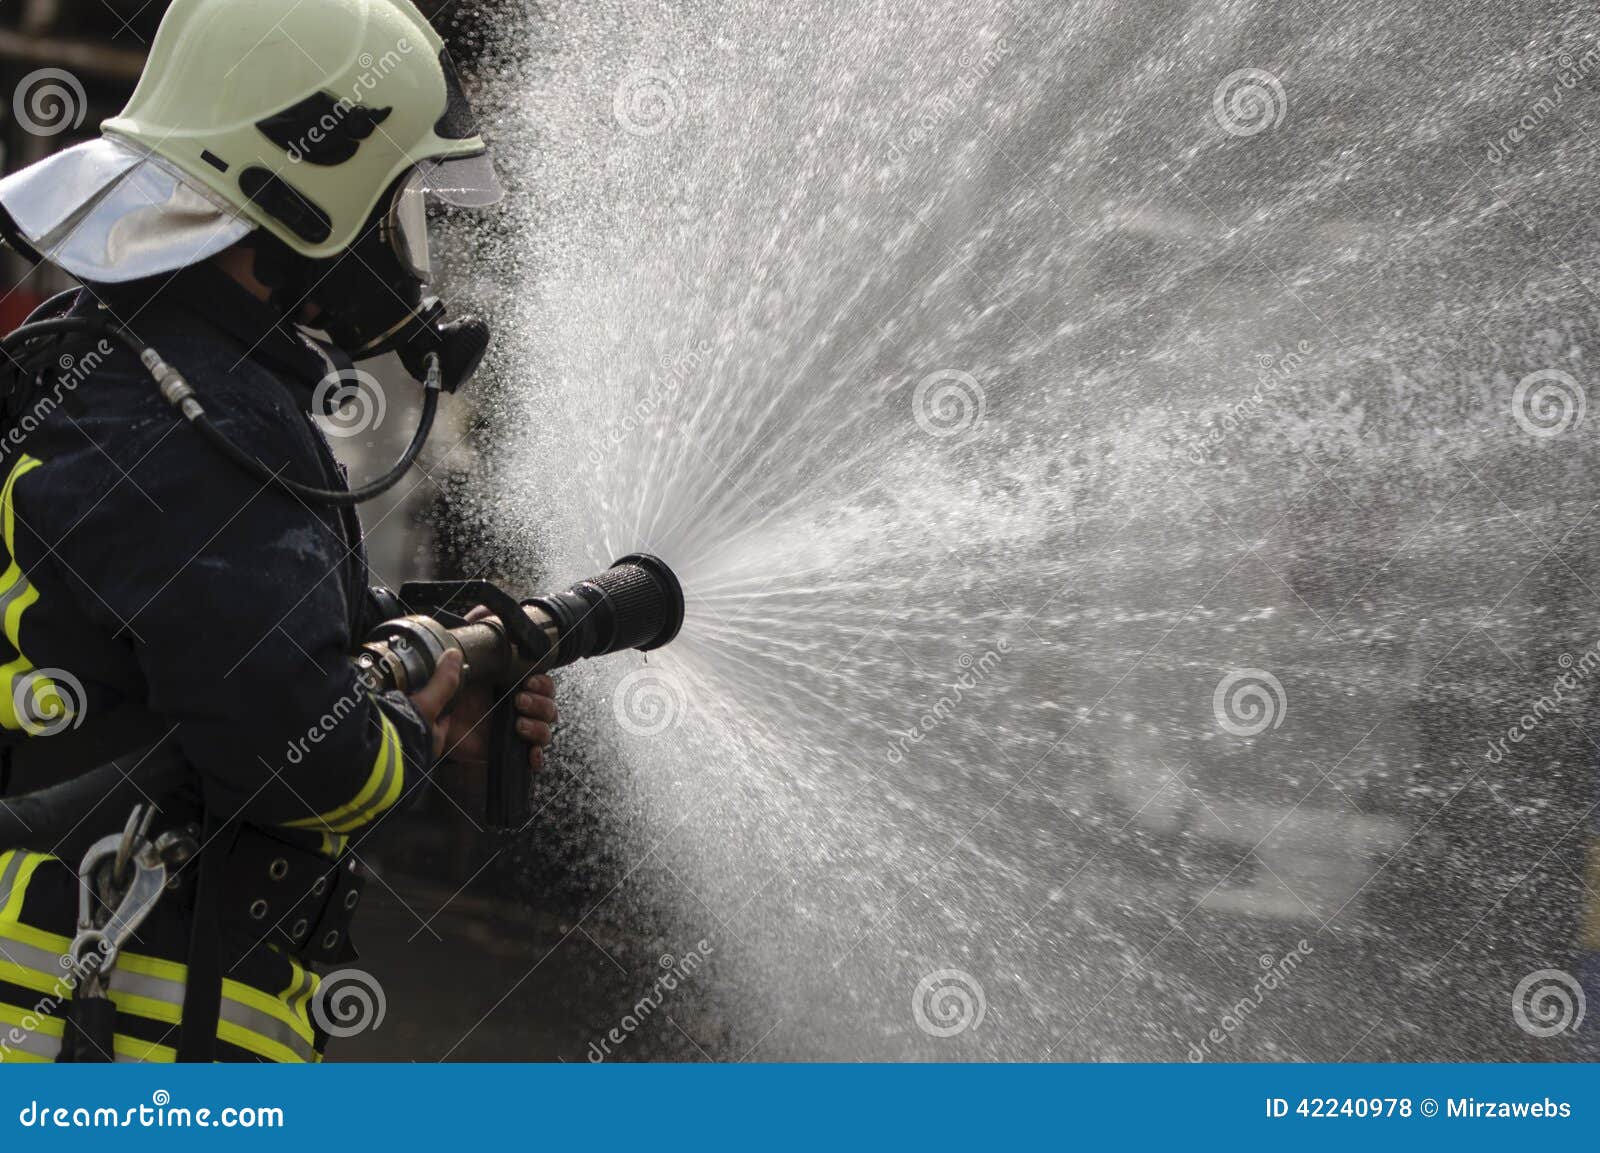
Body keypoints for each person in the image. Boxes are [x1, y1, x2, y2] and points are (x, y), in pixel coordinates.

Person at [0, 0, 555, 1062]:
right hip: (127, 1045)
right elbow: (301, 762)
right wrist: (420, 724)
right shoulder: (218, 429)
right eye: (394, 202)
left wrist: (415, 640)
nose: (404, 242)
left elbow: (166, 651)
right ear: (318, 196)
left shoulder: (93, 363)